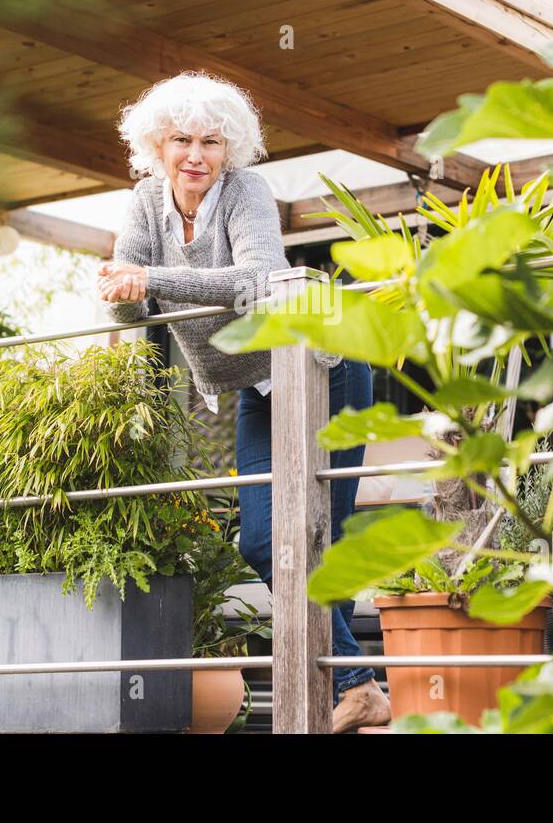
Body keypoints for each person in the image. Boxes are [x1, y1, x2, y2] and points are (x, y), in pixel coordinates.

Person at [98, 70, 390, 733]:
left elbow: (259, 280)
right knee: (264, 539)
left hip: (325, 364)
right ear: (158, 146)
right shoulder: (145, 204)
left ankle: (346, 691)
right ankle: (357, 688)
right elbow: (133, 308)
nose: (196, 155)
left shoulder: (247, 192)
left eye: (211, 141)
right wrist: (122, 292)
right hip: (257, 385)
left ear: (231, 149)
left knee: (318, 539)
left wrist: (148, 277)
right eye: (181, 140)